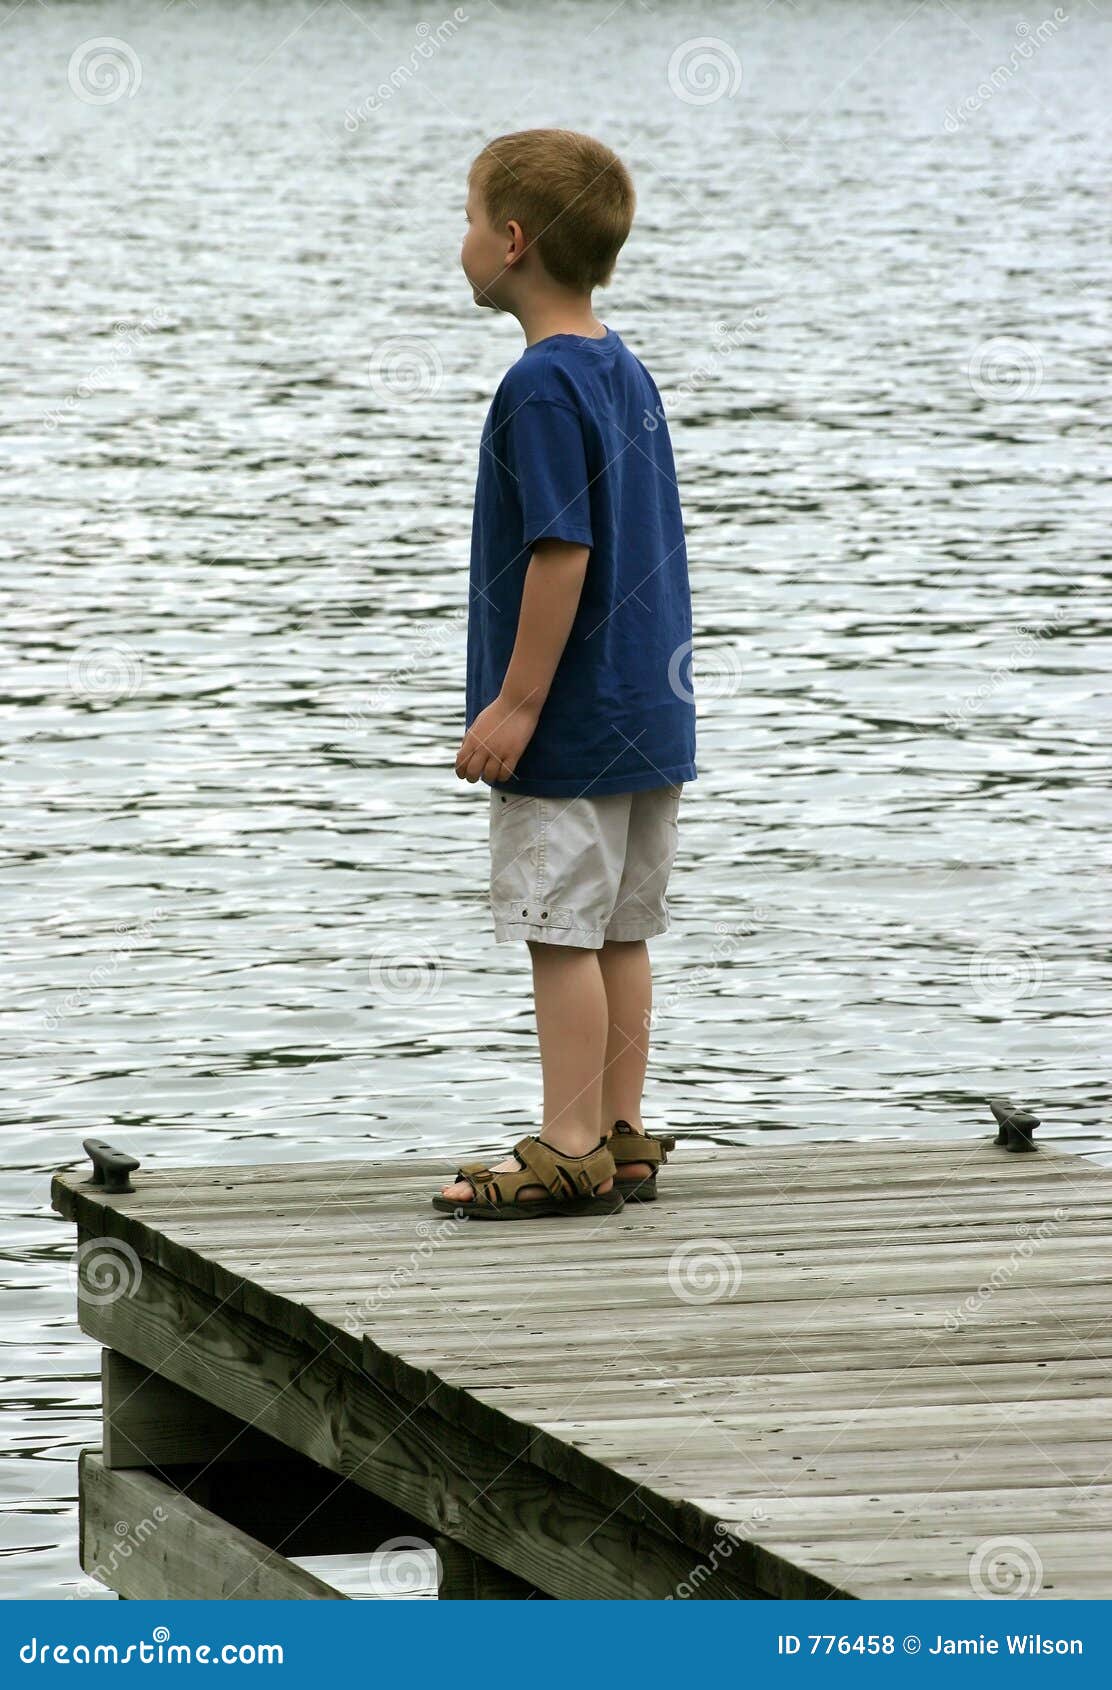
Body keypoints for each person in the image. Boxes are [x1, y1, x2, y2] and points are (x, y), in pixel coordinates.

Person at [433, 129, 695, 1220]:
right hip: (648, 711)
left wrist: (515, 701)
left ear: (508, 240)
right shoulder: (618, 364)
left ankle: (568, 1144)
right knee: (620, 926)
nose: (458, 240)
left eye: (465, 217)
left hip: (574, 720)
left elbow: (560, 550)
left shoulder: (537, 386)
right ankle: (620, 1131)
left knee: (559, 931)